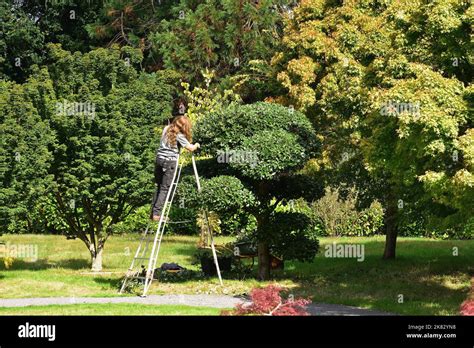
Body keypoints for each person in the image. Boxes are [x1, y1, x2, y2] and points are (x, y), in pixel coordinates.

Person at [151, 115, 200, 222]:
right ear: (184, 127)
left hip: (159, 160)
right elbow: (190, 148)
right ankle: (157, 215)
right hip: (169, 162)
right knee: (165, 188)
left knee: (159, 186)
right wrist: (196, 144)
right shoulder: (180, 136)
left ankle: (153, 213)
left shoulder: (165, 129)